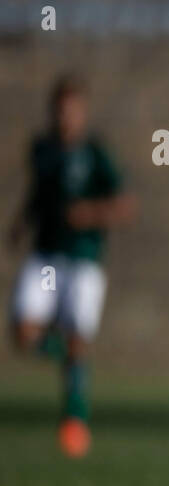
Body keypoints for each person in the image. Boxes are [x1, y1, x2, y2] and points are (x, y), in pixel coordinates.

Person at [8, 74, 136, 457]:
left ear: (82, 113)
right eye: (59, 109)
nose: (65, 116)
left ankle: (74, 421)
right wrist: (20, 224)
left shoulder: (96, 153)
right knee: (23, 334)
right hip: (46, 256)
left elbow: (125, 205)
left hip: (83, 261)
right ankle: (63, 353)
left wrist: (91, 213)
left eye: (72, 110)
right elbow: (38, 194)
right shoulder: (42, 148)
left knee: (77, 337)